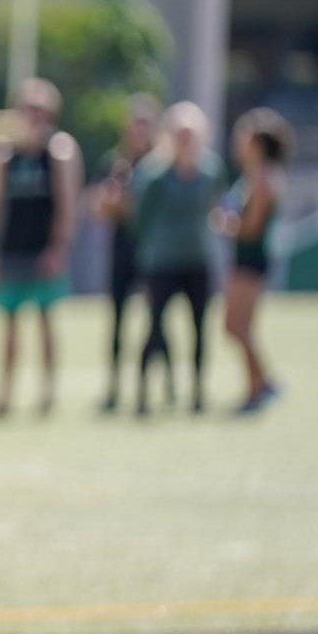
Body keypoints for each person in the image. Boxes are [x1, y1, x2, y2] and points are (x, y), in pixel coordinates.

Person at [0, 78, 81, 418]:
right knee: (9, 322)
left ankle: (48, 393)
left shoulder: (59, 151)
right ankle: (5, 393)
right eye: (27, 109)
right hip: (12, 248)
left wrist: (59, 247)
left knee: (46, 319)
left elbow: (67, 203)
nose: (33, 117)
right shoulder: (3, 153)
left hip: (42, 248)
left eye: (40, 110)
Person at [112, 101, 223, 417]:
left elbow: (219, 204)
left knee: (200, 328)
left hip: (197, 258)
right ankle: (143, 394)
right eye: (180, 133)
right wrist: (148, 252)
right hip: (161, 262)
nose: (185, 139)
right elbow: (138, 218)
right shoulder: (154, 174)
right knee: (155, 325)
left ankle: (198, 392)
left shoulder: (210, 170)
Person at [90, 94, 169, 413]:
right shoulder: (114, 162)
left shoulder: (162, 166)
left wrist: (127, 205)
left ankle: (164, 383)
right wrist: (111, 201)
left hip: (156, 253)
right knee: (119, 320)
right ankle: (114, 386)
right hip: (123, 249)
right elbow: (97, 206)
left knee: (157, 320)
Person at [220, 107, 290, 414]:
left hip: (251, 259)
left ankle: (261, 384)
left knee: (236, 326)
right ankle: (260, 384)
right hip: (244, 258)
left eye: (243, 137)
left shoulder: (262, 178)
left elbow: (252, 227)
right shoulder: (251, 175)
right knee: (237, 326)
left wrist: (226, 224)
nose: (237, 142)